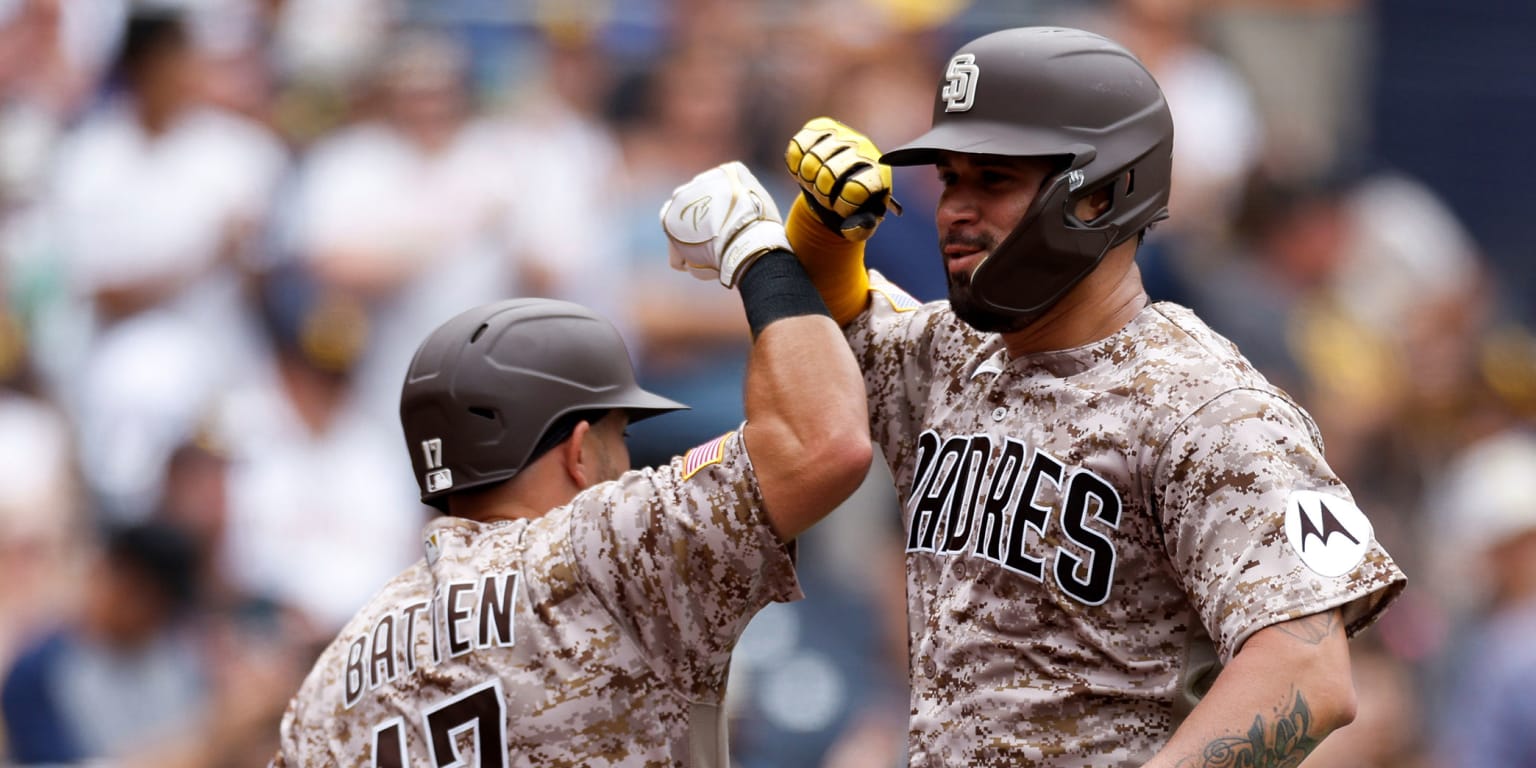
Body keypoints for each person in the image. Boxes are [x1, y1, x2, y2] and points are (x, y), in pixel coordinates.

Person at [776, 26, 1407, 767]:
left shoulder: (1208, 405)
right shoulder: (954, 350)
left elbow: (1310, 671)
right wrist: (818, 241)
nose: (954, 209)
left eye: (994, 180)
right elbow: (834, 334)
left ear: (1100, 194)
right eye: (950, 179)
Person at [271, 161, 873, 765]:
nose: (629, 460)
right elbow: (824, 441)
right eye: (620, 434)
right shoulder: (598, 551)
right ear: (578, 450)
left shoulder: (336, 668)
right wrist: (757, 250)